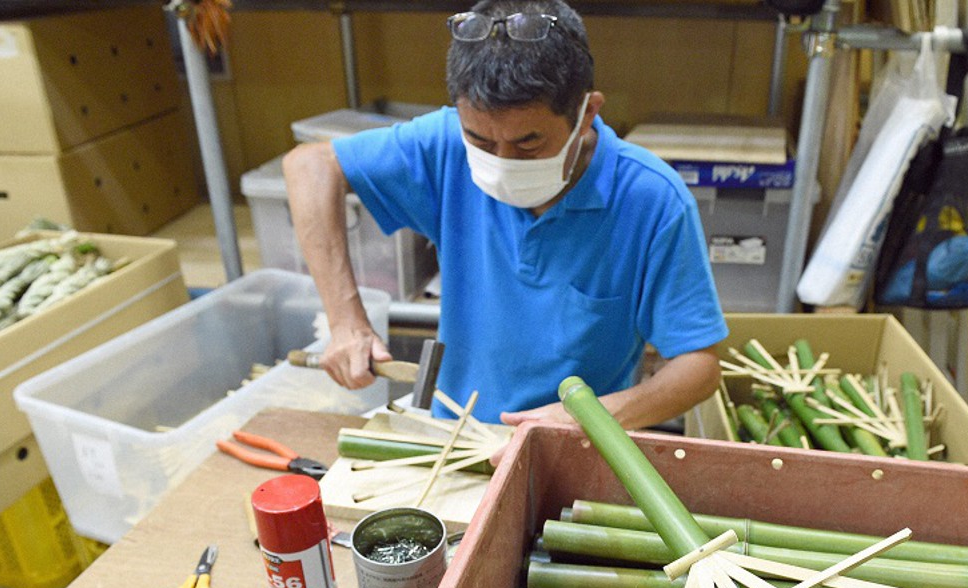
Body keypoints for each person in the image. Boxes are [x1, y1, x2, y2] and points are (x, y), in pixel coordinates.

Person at [283, 0, 728, 434]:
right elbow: (309, 166)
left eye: (528, 145)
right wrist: (346, 322)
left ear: (586, 113)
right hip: (456, 438)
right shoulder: (445, 146)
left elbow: (698, 366)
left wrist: (589, 419)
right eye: (481, 141)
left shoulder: (651, 199)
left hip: (577, 447)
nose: (502, 160)